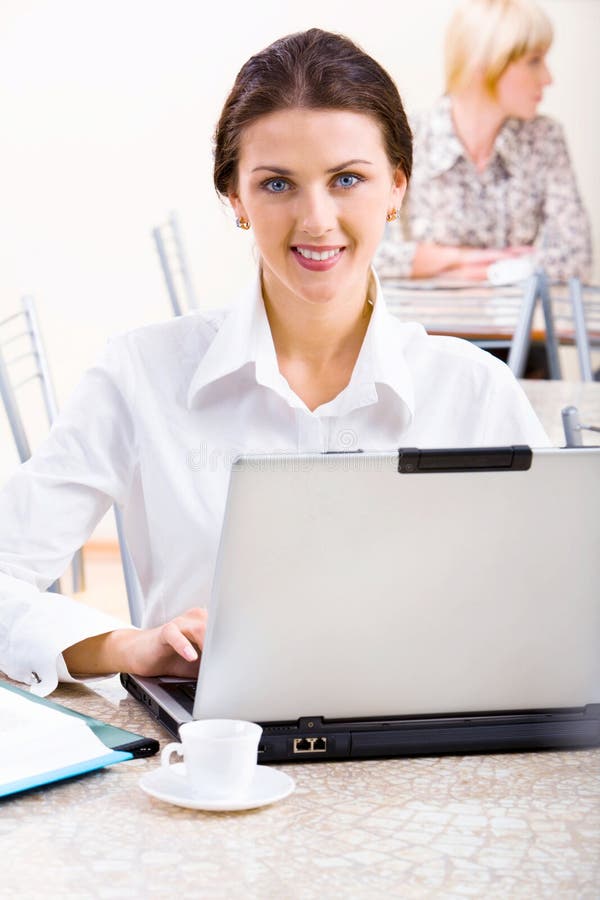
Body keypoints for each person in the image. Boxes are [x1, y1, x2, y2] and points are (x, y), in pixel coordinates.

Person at [0, 28, 549, 697]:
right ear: (235, 197)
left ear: (397, 188)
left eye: (347, 179)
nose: (316, 219)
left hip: (433, 738)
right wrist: (130, 647)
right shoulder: (141, 374)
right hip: (211, 745)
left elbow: (561, 599)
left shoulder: (474, 392)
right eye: (277, 183)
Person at [375, 0, 592, 282]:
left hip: (515, 313)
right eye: (534, 61)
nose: (547, 78)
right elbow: (367, 253)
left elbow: (577, 257)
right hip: (426, 312)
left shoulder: (545, 138)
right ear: (486, 63)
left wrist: (483, 272)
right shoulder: (410, 136)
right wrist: (460, 259)